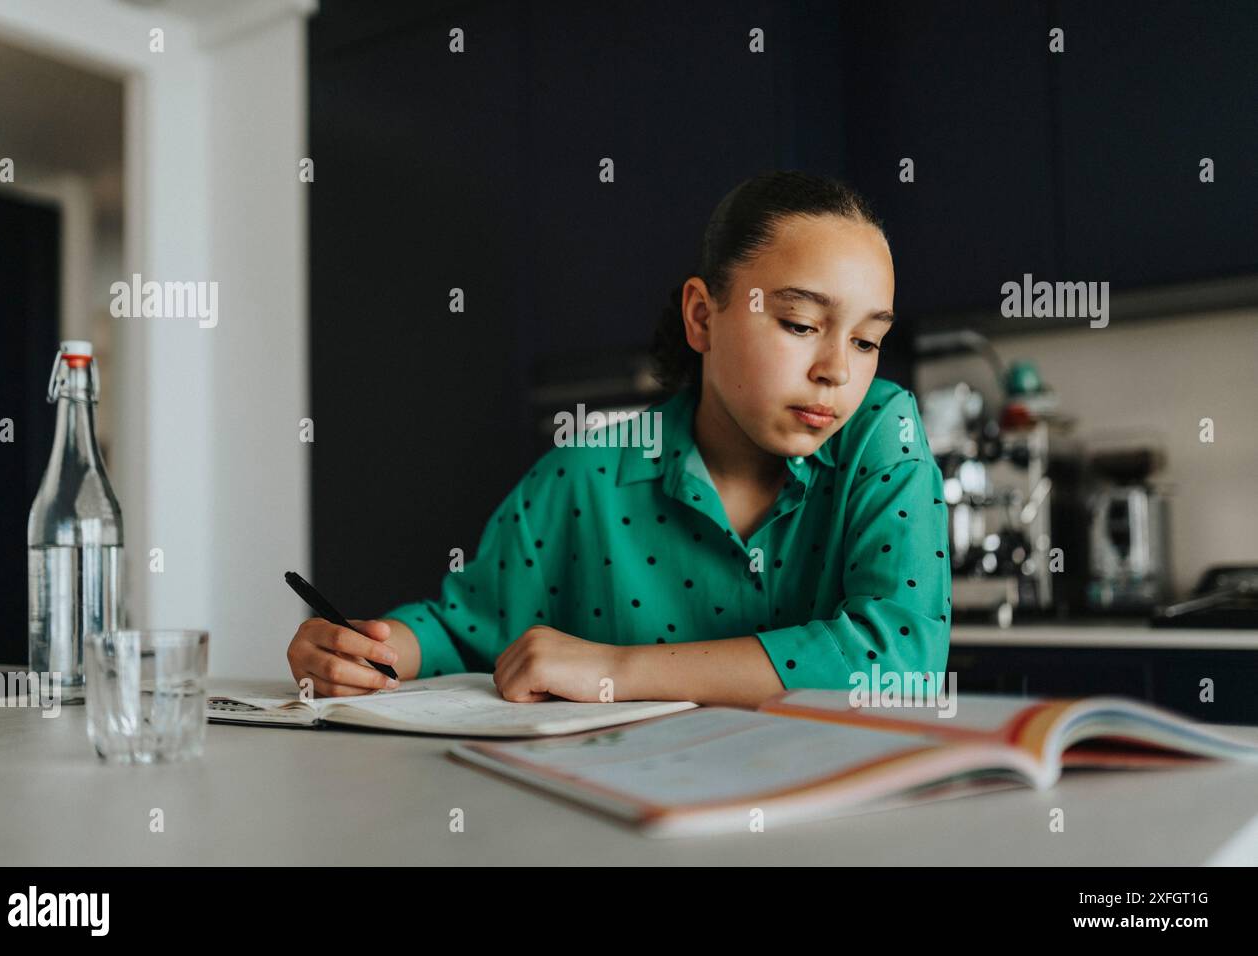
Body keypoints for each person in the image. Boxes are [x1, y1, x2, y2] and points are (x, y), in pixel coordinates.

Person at [287, 170, 951, 707]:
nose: (837, 369)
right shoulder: (583, 478)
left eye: (867, 340)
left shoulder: (881, 432)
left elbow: (899, 659)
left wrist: (615, 670)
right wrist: (360, 652)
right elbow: (462, 630)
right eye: (801, 323)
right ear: (703, 316)